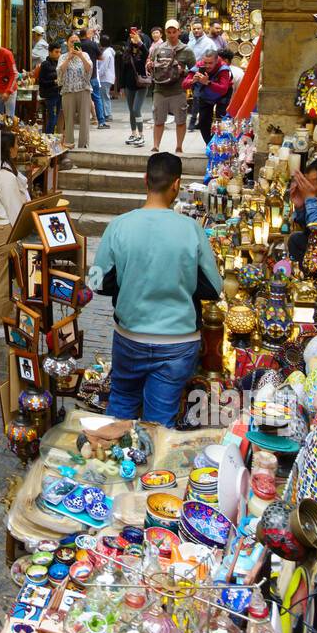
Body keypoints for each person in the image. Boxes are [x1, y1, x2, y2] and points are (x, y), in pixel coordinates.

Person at [90, 152, 223, 427]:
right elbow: (214, 287)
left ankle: (114, 460)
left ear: (144, 180)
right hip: (177, 342)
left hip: (130, 337)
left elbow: (96, 281)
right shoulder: (191, 228)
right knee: (159, 423)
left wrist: (129, 279)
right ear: (176, 184)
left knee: (121, 409)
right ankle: (156, 468)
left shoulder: (119, 226)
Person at [0, 132, 30, 333]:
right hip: (4, 230)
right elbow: (15, 209)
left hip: (2, 229)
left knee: (9, 274)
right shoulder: (5, 176)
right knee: (4, 277)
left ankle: (9, 314)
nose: (18, 147)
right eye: (16, 143)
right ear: (8, 148)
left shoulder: (2, 170)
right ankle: (0, 321)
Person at [150, 19, 195, 155]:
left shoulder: (186, 50)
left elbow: (195, 69)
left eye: (174, 32)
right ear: (165, 33)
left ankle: (179, 146)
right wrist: (150, 66)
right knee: (158, 119)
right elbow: (152, 65)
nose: (171, 34)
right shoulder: (158, 48)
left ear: (179, 32)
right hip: (160, 89)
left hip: (178, 90)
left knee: (180, 119)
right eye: (169, 32)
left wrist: (184, 71)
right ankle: (156, 145)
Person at [57, 33, 94, 148]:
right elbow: (60, 71)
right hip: (68, 91)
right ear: (67, 43)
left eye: (76, 41)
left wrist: (81, 56)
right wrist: (69, 58)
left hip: (83, 89)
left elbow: (89, 69)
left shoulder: (85, 55)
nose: (74, 43)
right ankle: (69, 143)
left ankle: (83, 144)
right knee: (69, 119)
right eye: (71, 41)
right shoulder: (63, 57)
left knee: (84, 119)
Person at [192, 48, 234, 143]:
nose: (207, 65)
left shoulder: (224, 69)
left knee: (222, 120)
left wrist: (208, 82)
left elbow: (223, 89)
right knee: (203, 120)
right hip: (206, 93)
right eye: (205, 62)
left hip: (222, 94)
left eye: (210, 63)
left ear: (216, 60)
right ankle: (210, 144)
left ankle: (222, 143)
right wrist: (192, 80)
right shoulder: (199, 65)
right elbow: (185, 84)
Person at [123, 26, 149, 146]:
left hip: (141, 84)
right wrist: (121, 87)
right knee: (131, 111)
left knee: (136, 109)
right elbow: (123, 68)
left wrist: (139, 42)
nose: (133, 40)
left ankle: (141, 134)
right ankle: (134, 134)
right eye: (132, 38)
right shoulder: (127, 53)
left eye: (136, 38)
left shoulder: (143, 53)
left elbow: (146, 51)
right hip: (129, 84)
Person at [78, 27, 107, 129]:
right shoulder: (92, 44)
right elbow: (101, 57)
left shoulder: (77, 44)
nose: (91, 34)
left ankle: (81, 122)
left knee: (79, 100)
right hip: (92, 75)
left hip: (79, 77)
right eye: (90, 32)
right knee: (96, 98)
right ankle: (101, 121)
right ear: (86, 34)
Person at [36, 40, 62, 134]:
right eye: (56, 52)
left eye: (60, 52)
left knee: (55, 117)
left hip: (59, 93)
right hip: (50, 95)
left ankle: (51, 138)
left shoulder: (59, 63)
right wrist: (54, 82)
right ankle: (48, 138)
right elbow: (42, 81)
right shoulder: (45, 64)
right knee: (52, 118)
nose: (58, 54)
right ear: (50, 52)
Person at [97, 34, 115, 122]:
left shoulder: (107, 53)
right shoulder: (109, 52)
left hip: (105, 77)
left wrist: (98, 75)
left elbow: (104, 67)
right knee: (104, 96)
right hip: (107, 77)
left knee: (104, 96)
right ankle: (106, 113)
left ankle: (107, 114)